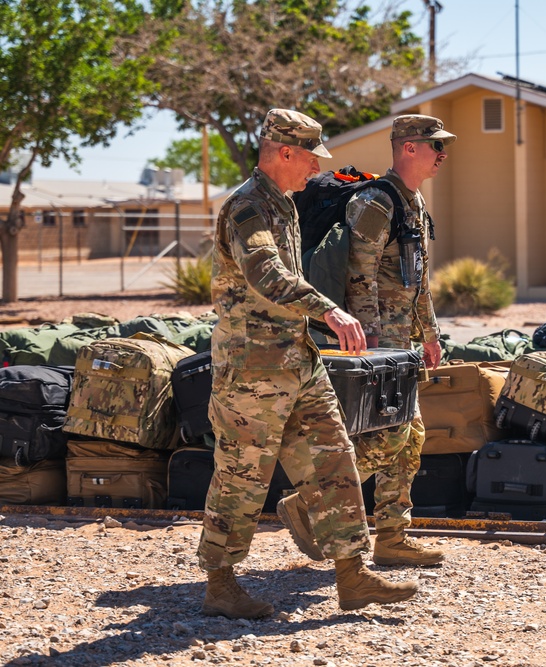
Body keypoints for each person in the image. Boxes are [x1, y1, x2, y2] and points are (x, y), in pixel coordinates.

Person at [198, 108, 419, 620]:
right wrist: (330, 308)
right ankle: (221, 584)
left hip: (298, 361)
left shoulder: (286, 206)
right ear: (284, 153)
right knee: (241, 477)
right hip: (251, 371)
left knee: (333, 459)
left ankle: (351, 574)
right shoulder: (247, 208)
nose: (315, 171)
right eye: (309, 159)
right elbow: (265, 273)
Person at [277, 114, 455, 567]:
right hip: (377, 347)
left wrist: (430, 334)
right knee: (392, 437)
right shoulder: (377, 202)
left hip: (402, 346)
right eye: (435, 145)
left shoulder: (413, 202)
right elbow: (361, 276)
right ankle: (313, 504)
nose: (443, 154)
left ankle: (393, 535)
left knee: (408, 437)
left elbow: (419, 282)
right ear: (408, 147)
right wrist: (373, 344)